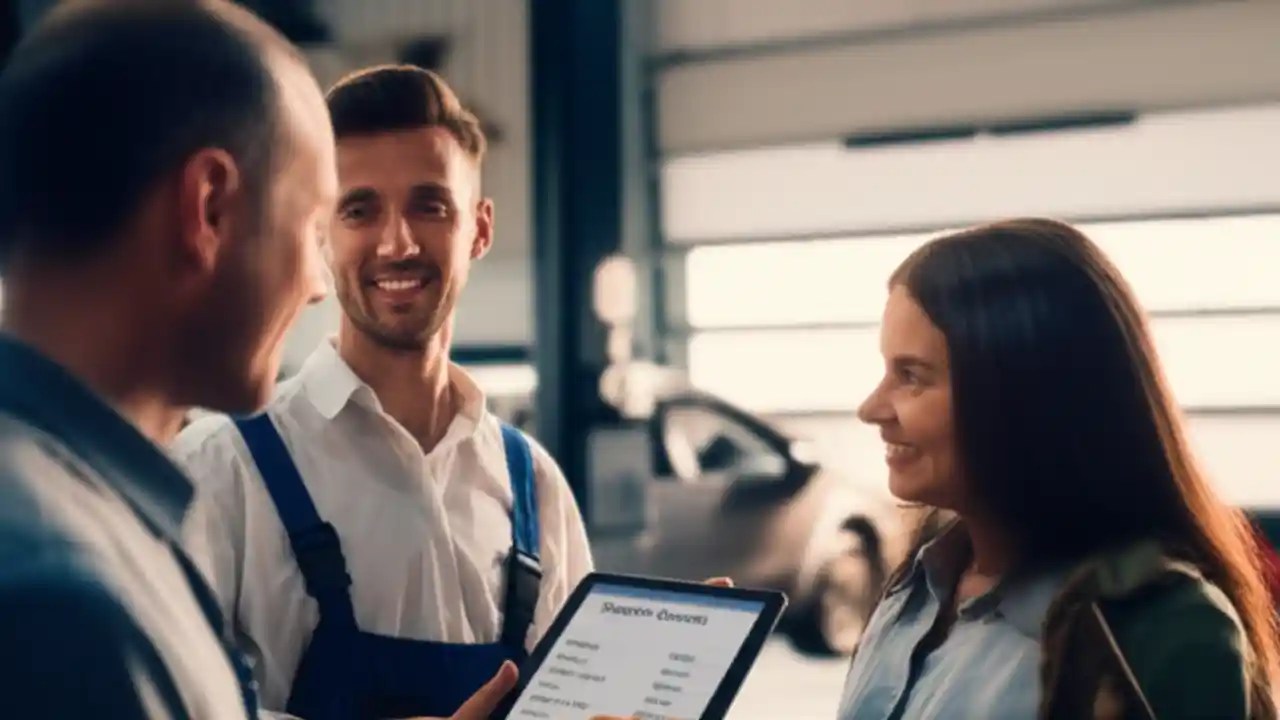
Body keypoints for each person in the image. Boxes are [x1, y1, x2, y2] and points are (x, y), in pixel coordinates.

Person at [174, 64, 593, 720]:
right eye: (360, 210)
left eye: (430, 206)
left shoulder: (535, 487)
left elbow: (572, 704)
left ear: (480, 230)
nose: (398, 243)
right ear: (319, 233)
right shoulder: (218, 471)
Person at [0, 0, 330, 715]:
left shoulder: (90, 522)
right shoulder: (66, 606)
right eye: (313, 228)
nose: (318, 285)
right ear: (209, 209)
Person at [836, 219, 1279, 719]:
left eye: (911, 376)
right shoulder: (918, 585)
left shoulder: (1157, 627)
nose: (872, 409)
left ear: (1024, 395)